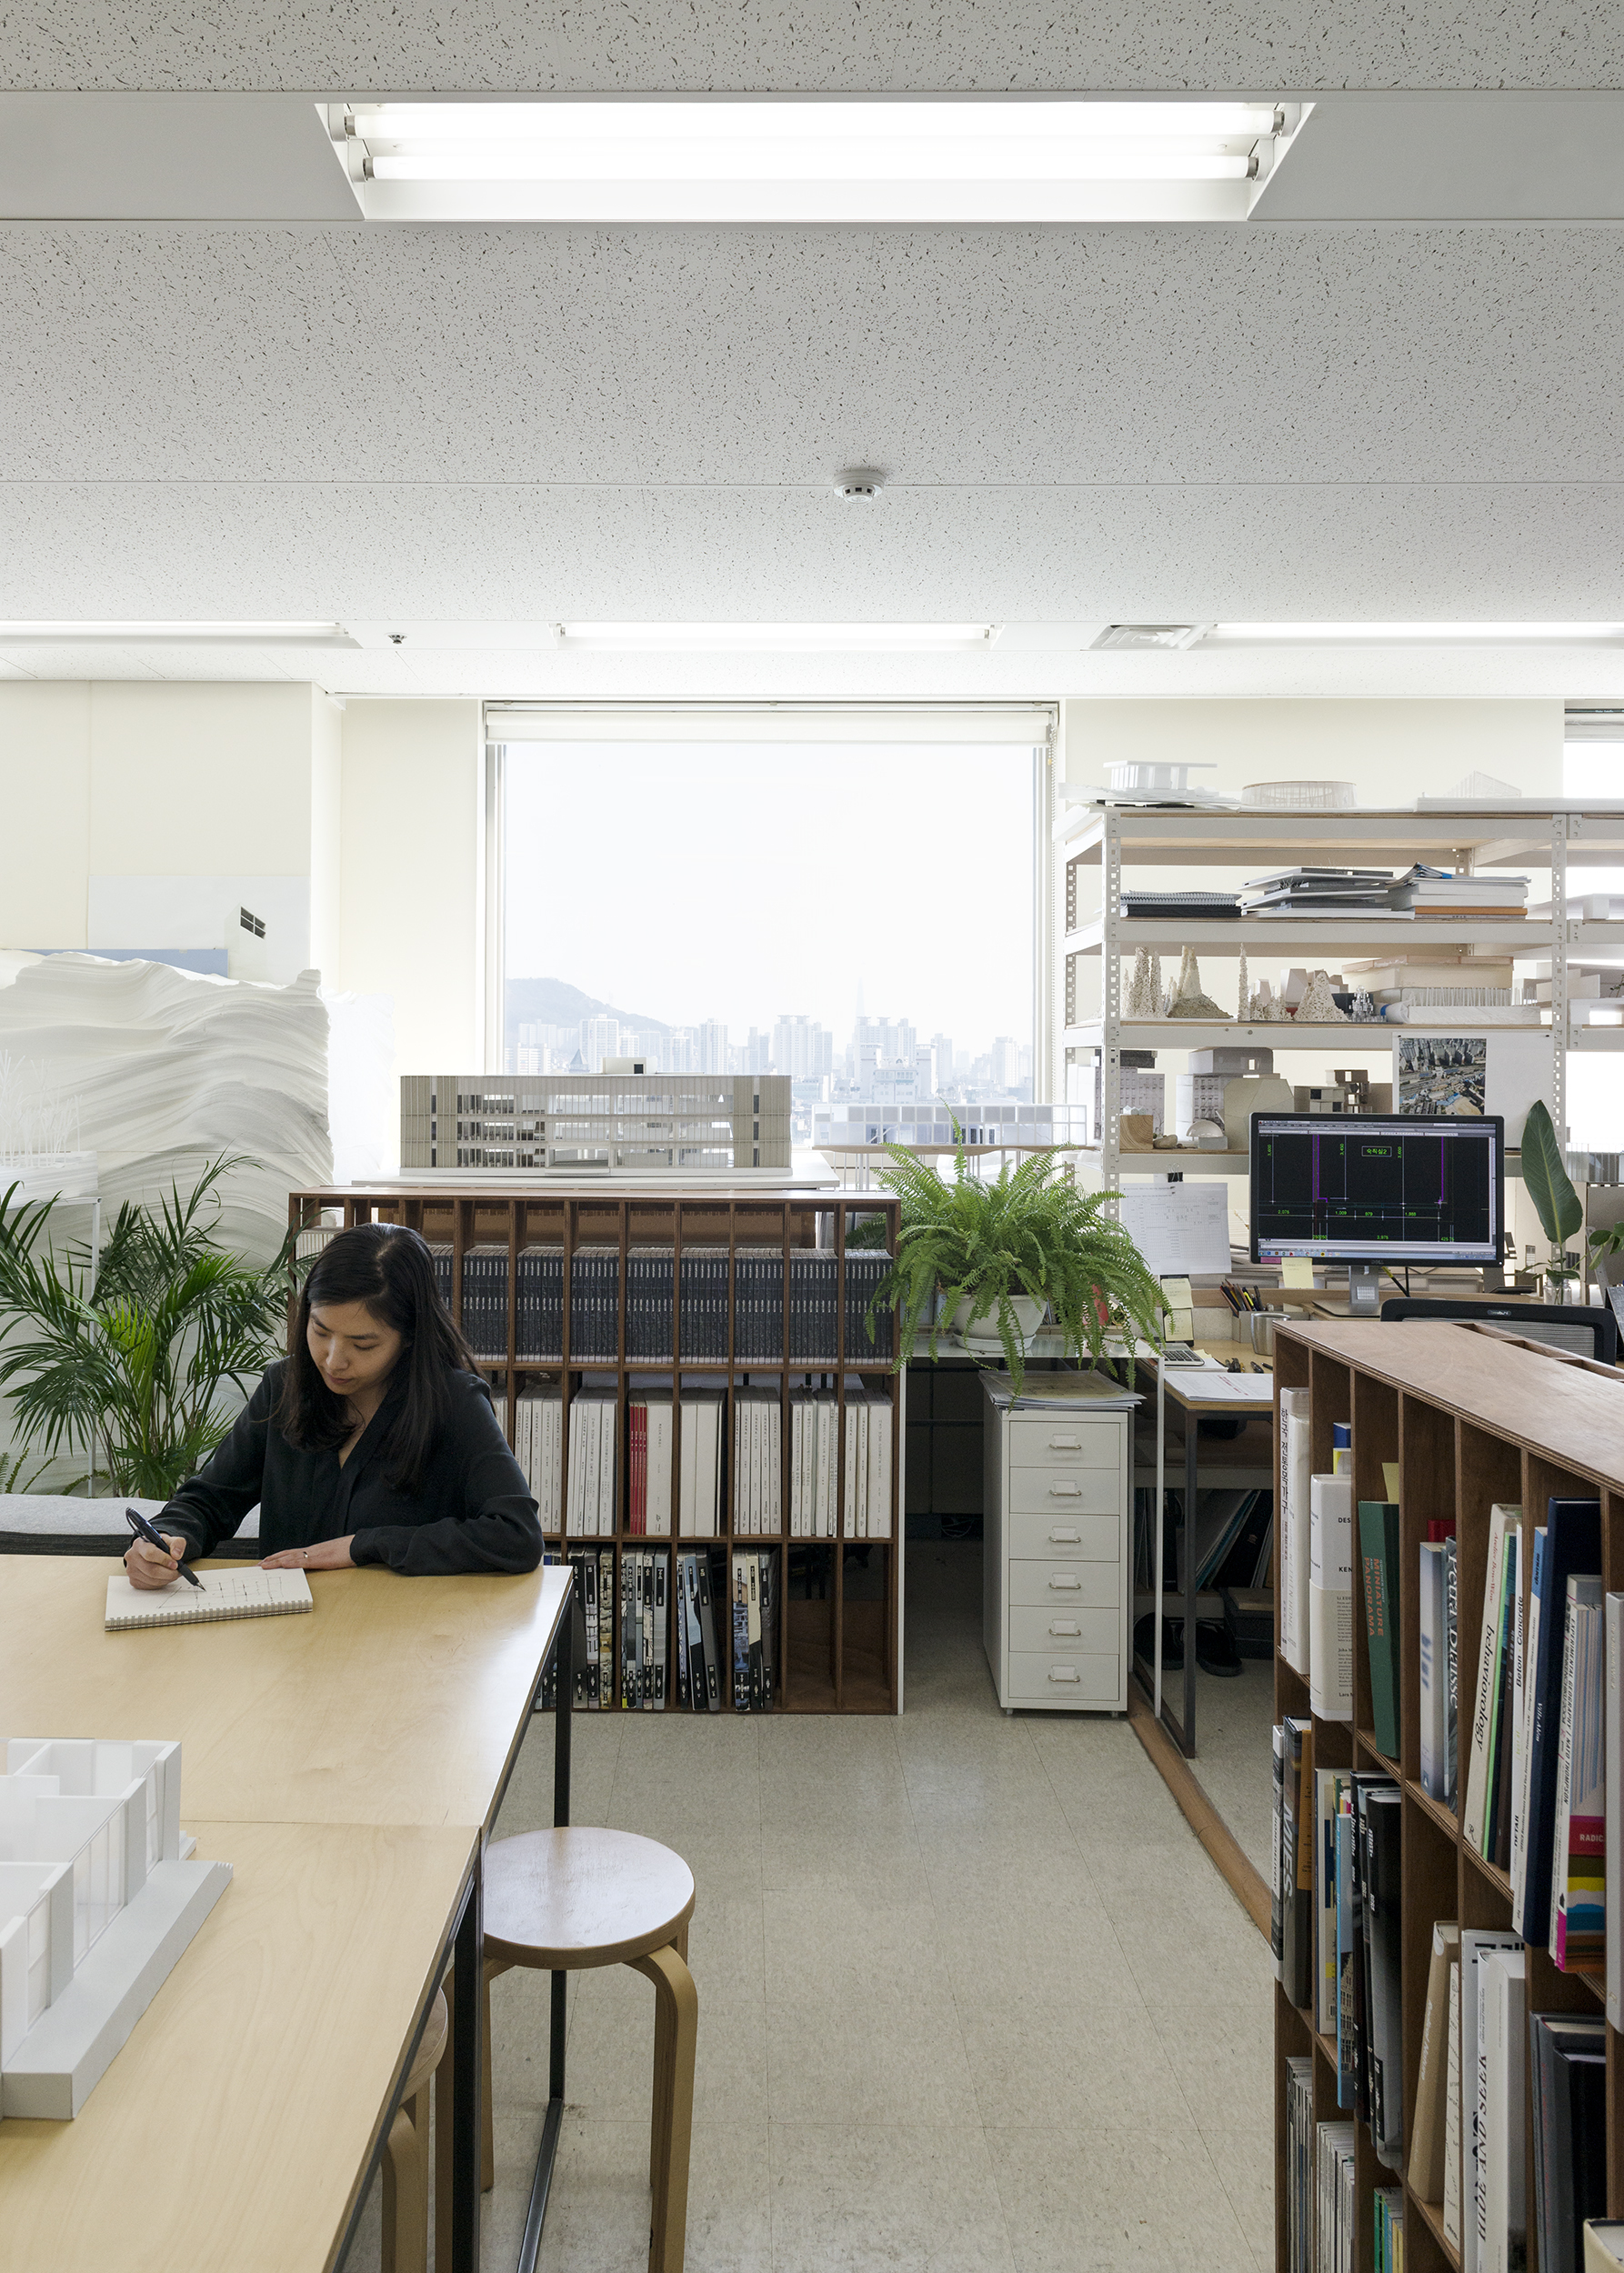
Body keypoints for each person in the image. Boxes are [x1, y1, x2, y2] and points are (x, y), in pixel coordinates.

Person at [123, 1222, 543, 1586]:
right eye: (320, 1331)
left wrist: (368, 1545)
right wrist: (163, 1539)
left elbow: (516, 1535)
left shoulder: (454, 1403)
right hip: (289, 1640)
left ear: (410, 1336)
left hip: (407, 1640)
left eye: (363, 1344)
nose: (333, 1360)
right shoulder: (283, 1386)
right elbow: (209, 1500)